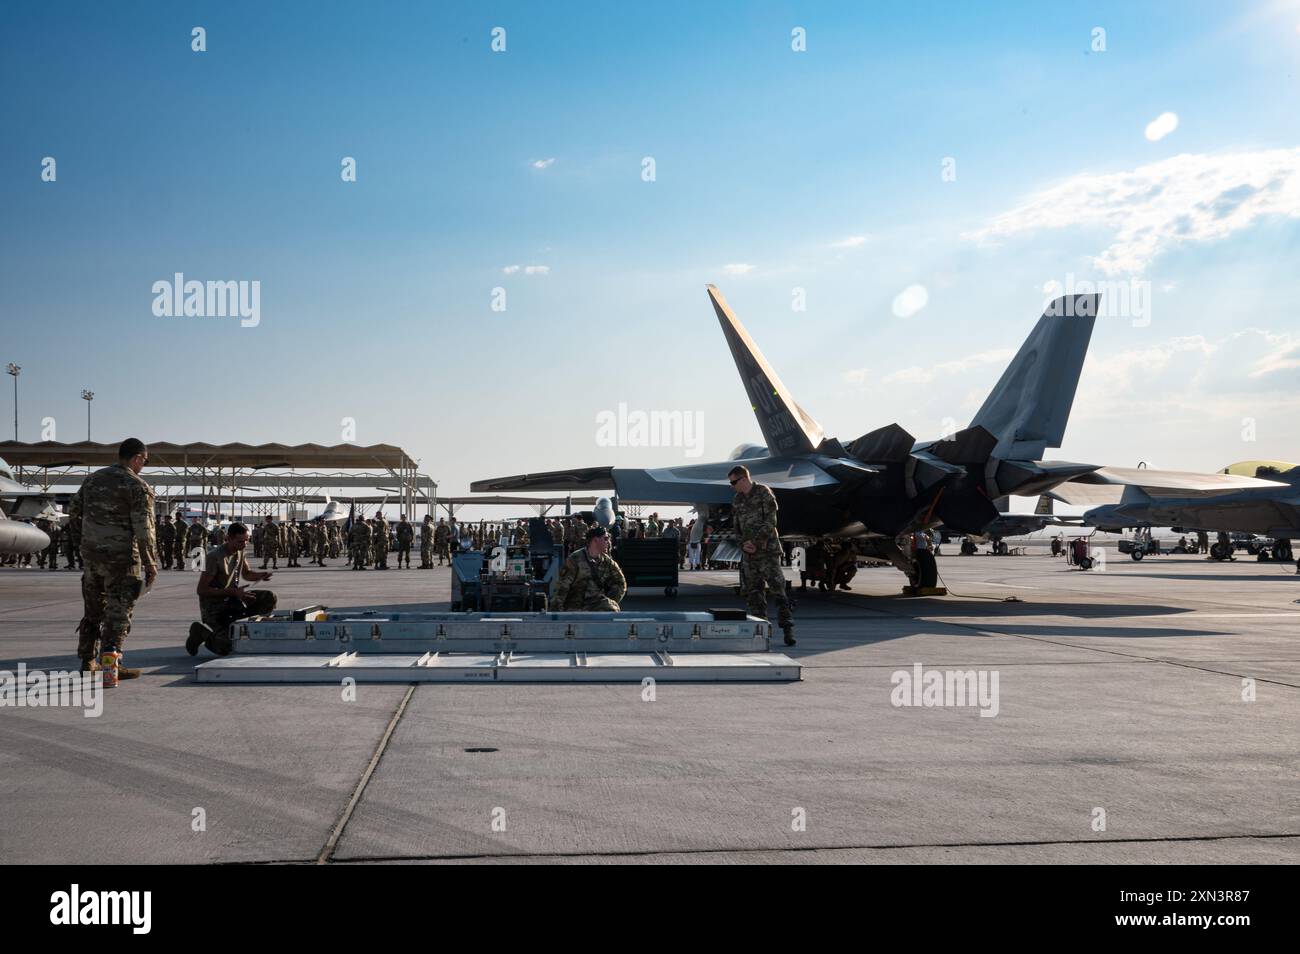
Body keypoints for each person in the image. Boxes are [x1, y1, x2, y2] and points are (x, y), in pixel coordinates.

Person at [68, 437, 157, 682]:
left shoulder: (92, 480)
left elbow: (73, 512)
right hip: (122, 561)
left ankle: (87, 661)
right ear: (137, 457)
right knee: (118, 615)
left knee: (93, 612)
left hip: (92, 559)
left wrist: (82, 545)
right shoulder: (137, 485)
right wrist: (150, 562)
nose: (144, 466)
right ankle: (111, 668)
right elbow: (144, 528)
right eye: (145, 461)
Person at [187, 522, 277, 656]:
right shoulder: (214, 557)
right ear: (229, 538)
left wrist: (261, 575)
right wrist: (233, 592)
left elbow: (246, 574)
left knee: (269, 597)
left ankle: (251, 631)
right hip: (214, 609)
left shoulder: (239, 551)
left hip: (232, 600)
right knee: (226, 646)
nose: (245, 544)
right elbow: (202, 590)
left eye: (247, 541)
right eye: (241, 541)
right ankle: (200, 632)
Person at [729, 465, 795, 645]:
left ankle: (788, 629)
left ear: (743, 479)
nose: (732, 485)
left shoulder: (764, 493)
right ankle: (760, 633)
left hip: (768, 552)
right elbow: (737, 527)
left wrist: (755, 542)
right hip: (749, 555)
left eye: (733, 482)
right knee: (754, 595)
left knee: (778, 591)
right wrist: (744, 544)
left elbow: (771, 521)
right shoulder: (737, 499)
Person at [553, 526, 627, 611]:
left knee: (611, 609)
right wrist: (556, 615)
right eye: (605, 538)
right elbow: (562, 588)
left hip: (597, 605)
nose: (608, 542)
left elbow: (621, 583)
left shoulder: (607, 561)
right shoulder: (575, 559)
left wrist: (610, 600)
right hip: (575, 608)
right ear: (595, 540)